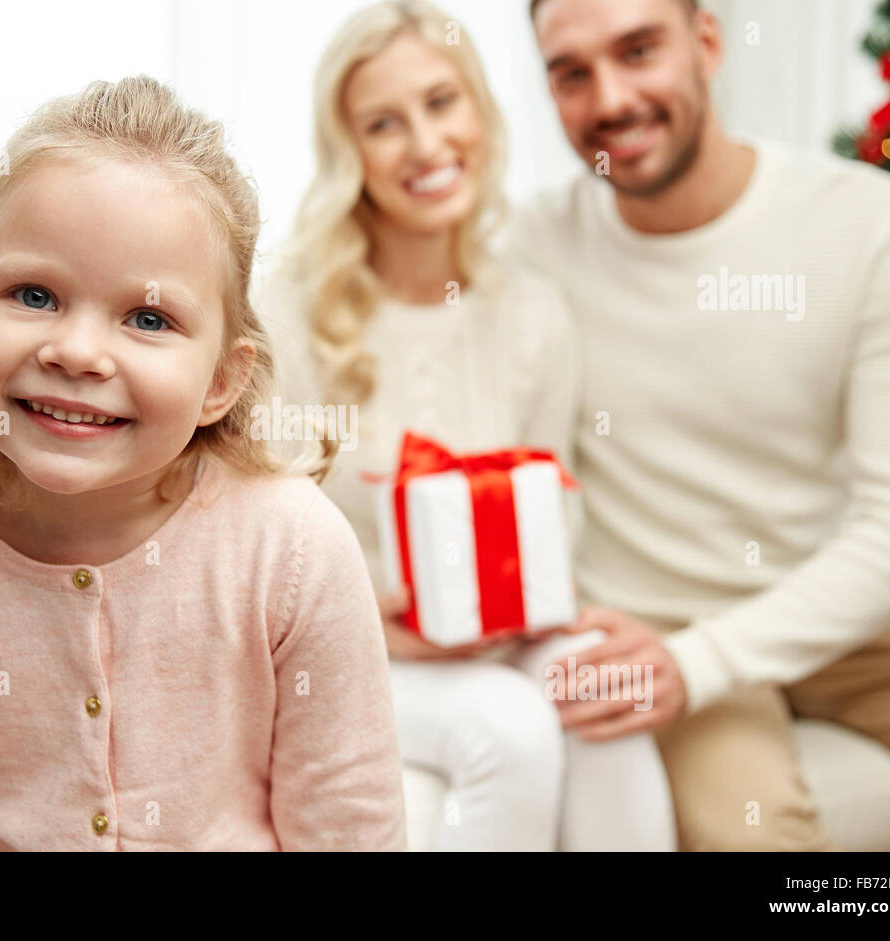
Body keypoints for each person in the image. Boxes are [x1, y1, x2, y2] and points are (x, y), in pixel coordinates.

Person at [0, 76, 407, 851]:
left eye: (148, 317)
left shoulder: (296, 549)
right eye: (34, 294)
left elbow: (351, 833)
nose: (75, 352)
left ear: (220, 379)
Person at [513, 0, 890, 849]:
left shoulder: (867, 225)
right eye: (572, 72)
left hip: (846, 619)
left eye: (639, 50)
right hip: (654, 626)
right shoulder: (528, 249)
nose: (610, 96)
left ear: (707, 43)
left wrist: (710, 657)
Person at [260, 0, 675, 850]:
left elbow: (546, 511)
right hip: (344, 649)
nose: (423, 144)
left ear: (480, 111)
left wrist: (545, 604)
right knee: (513, 725)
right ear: (351, 152)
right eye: (383, 123)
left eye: (442, 103)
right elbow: (248, 545)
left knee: (608, 693)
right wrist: (378, 624)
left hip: (488, 639)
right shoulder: (285, 311)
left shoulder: (530, 314)